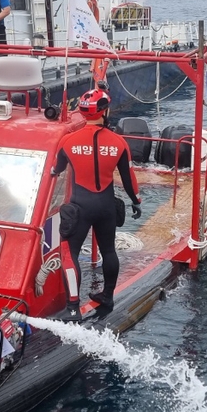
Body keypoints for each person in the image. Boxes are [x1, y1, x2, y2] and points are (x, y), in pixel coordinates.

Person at [50, 88, 142, 318]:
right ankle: (107, 296)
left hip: (79, 206)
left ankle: (73, 308)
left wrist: (53, 172)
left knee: (69, 252)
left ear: (83, 113)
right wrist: (136, 201)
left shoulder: (67, 141)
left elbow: (56, 169)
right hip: (106, 206)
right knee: (108, 250)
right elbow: (129, 179)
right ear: (104, 111)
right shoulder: (119, 142)